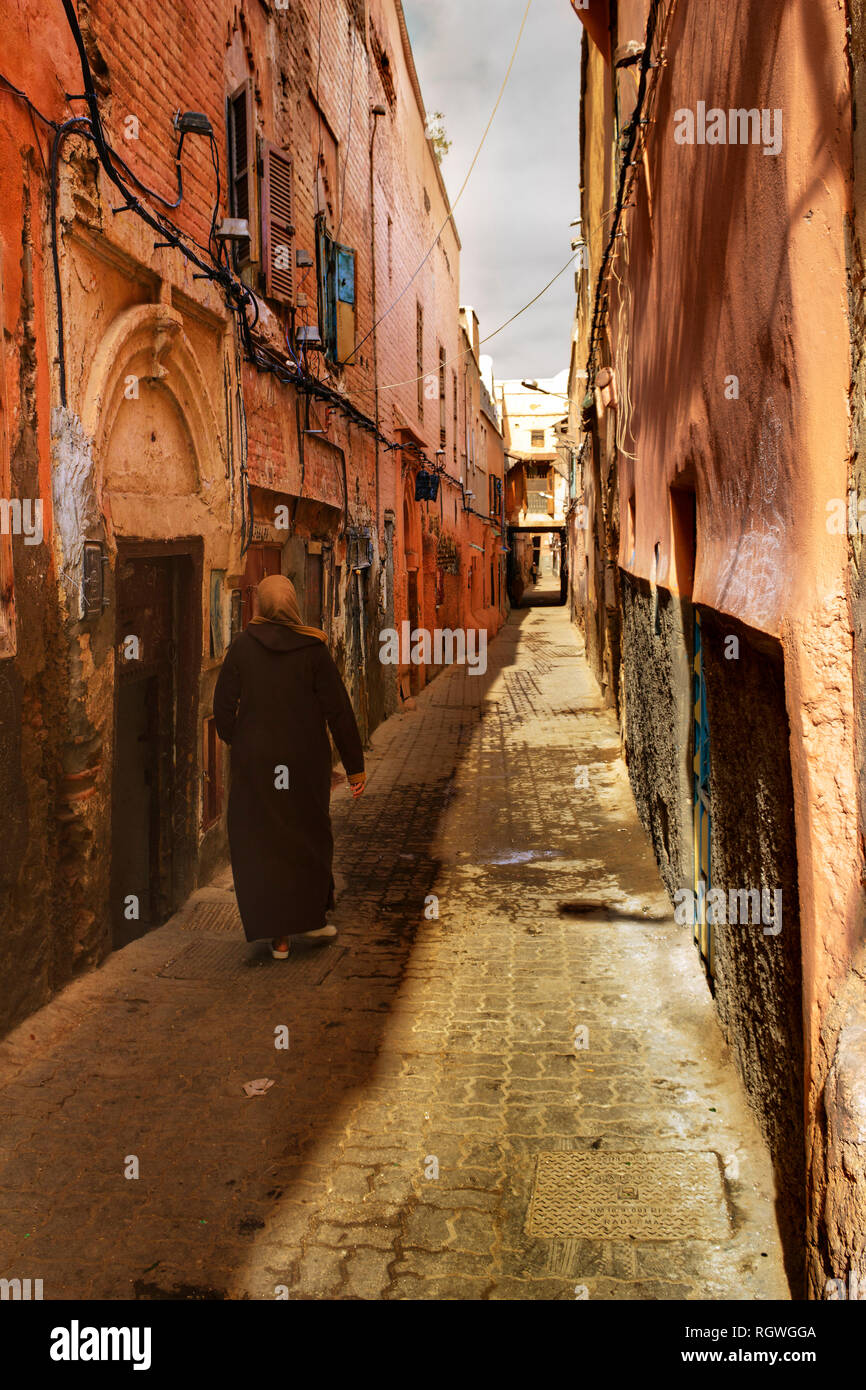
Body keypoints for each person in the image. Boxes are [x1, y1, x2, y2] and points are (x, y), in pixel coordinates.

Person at [213, 573, 366, 959]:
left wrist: (243, 743)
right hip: (304, 764)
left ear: (261, 604)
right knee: (308, 835)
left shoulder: (243, 647)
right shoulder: (312, 649)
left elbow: (222, 709)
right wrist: (355, 768)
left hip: (257, 767)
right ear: (293, 603)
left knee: (262, 841)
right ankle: (310, 918)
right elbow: (339, 711)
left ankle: (277, 936)